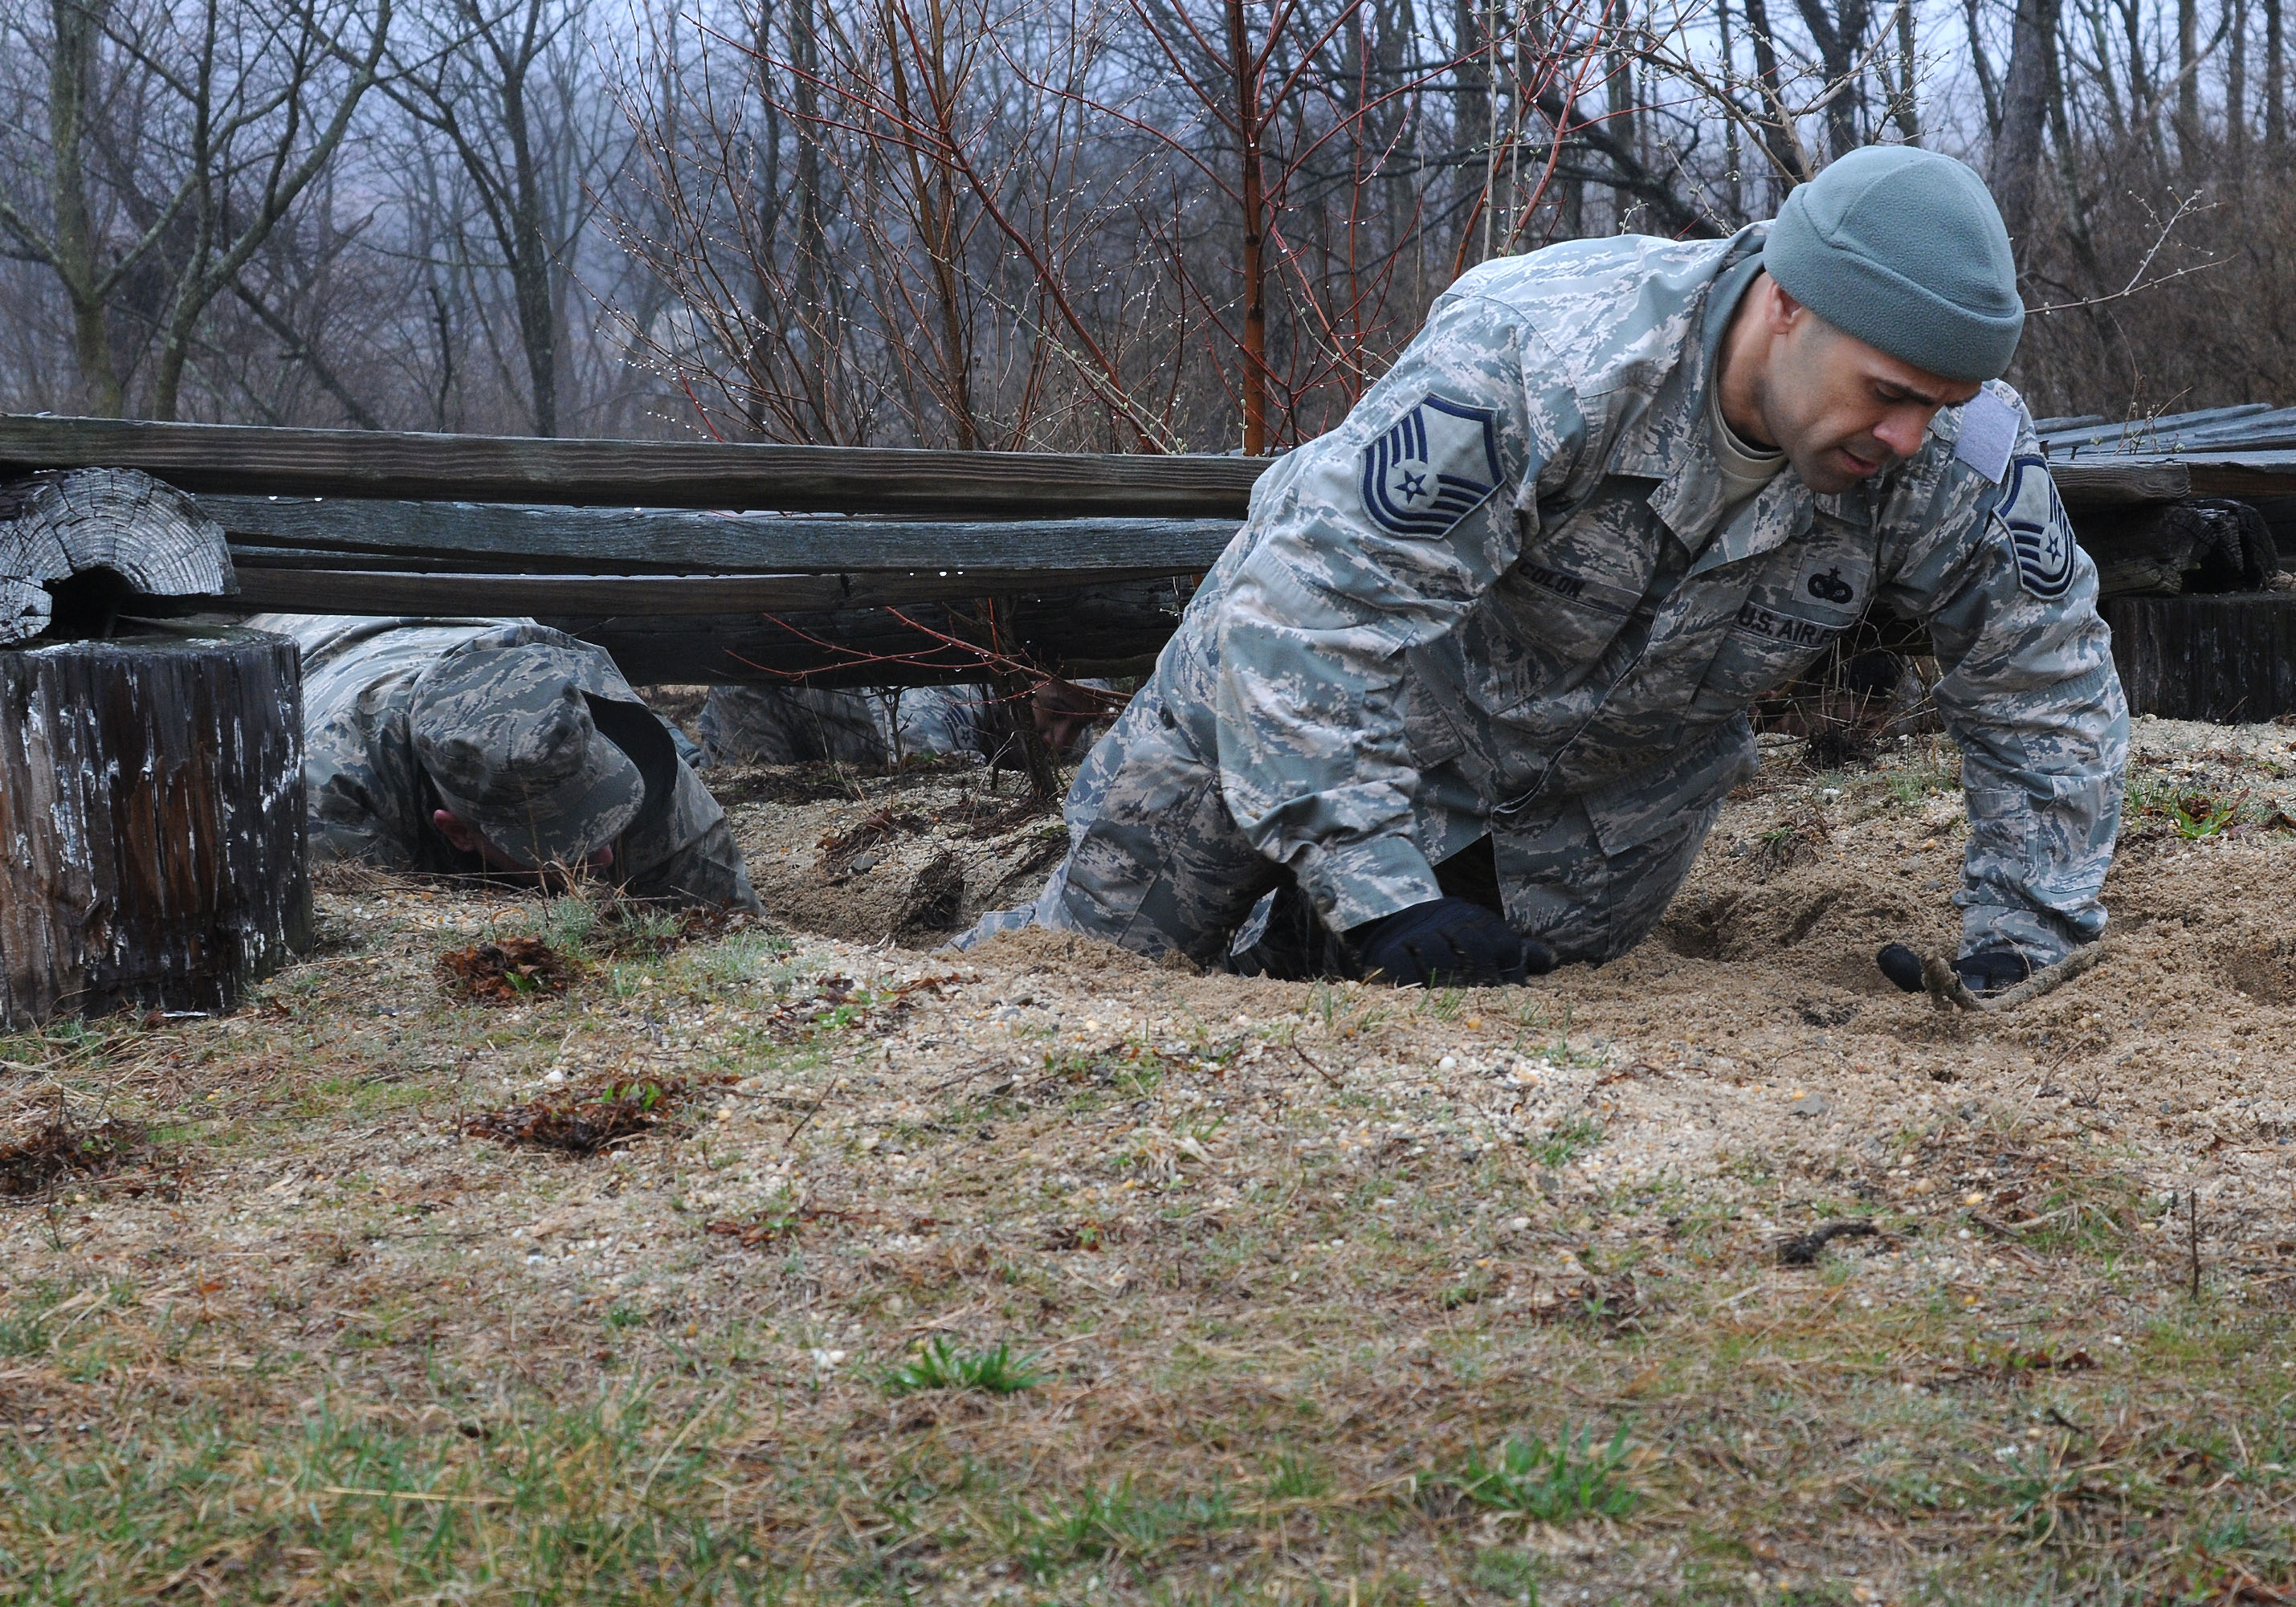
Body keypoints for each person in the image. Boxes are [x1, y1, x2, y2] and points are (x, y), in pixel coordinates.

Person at [956, 145, 2127, 993]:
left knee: (1356, 1020)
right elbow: (1310, 610)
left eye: (1942, 406)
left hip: (1582, 824)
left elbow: (2043, 678)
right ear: (1783, 302)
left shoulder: (1955, 459)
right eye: (1887, 394)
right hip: (1305, 711)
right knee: (1092, 974)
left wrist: (2019, 937)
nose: (1907, 439)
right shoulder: (1539, 352)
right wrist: (1385, 894)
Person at [249, 613, 761, 912]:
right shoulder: (331, 798)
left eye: (603, 810)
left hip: (452, 633)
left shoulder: (604, 723)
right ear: (458, 832)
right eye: (559, 842)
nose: (603, 858)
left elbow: (732, 924)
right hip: (306, 647)